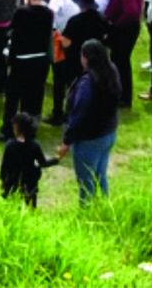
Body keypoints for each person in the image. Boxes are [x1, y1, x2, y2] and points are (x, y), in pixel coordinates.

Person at [57, 39, 120, 204]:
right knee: (100, 175)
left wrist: (66, 141)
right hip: (108, 133)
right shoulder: (111, 71)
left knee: (86, 182)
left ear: (86, 58)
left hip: (89, 139)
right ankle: (104, 206)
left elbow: (79, 114)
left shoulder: (88, 82)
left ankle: (86, 213)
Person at [0, 0, 53, 141]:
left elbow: (14, 35)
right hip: (40, 60)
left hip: (21, 60)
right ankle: (29, 130)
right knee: (33, 96)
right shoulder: (49, 13)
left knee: (13, 97)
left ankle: (8, 129)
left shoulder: (22, 12)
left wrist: (9, 60)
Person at [105, 0, 143, 108]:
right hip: (126, 27)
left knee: (121, 62)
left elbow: (130, 13)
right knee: (119, 61)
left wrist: (114, 26)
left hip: (125, 29)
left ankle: (124, 96)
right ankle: (121, 94)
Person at [0, 112, 59, 207]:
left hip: (13, 181)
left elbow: (4, 166)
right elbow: (43, 163)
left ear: (17, 128)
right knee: (30, 205)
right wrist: (55, 159)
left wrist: (3, 180)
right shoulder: (34, 145)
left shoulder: (10, 145)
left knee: (10, 205)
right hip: (30, 181)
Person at [61, 0, 108, 93]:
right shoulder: (101, 19)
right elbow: (105, 37)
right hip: (97, 62)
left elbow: (65, 43)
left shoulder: (74, 21)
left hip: (75, 63)